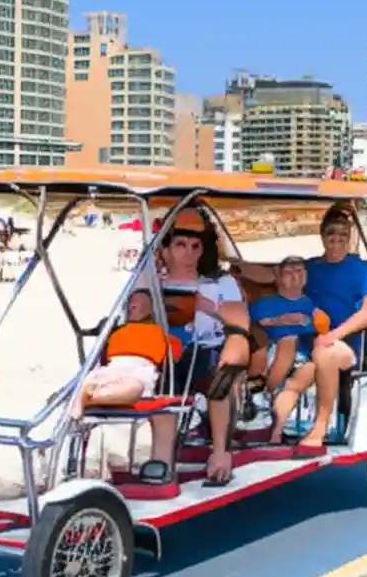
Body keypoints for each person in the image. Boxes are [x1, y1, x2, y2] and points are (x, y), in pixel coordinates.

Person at [231, 207, 367, 452]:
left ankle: (319, 428)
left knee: (324, 352)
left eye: (343, 233)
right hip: (301, 342)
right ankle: (267, 426)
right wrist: (236, 267)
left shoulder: (364, 271)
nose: (337, 238)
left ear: (350, 236)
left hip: (343, 344)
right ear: (322, 236)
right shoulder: (310, 267)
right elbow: (272, 273)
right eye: (331, 233)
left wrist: (333, 335)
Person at [144, 208, 258, 486]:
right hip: (166, 354)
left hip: (210, 350)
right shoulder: (152, 284)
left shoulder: (219, 282)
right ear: (166, 250)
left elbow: (240, 321)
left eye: (196, 247)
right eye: (180, 245)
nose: (189, 253)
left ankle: (220, 453)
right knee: (164, 371)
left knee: (212, 370)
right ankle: (162, 459)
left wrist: (206, 307)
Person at [248, 256, 332, 448]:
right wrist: (281, 320)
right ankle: (266, 390)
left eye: (299, 272)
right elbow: (253, 327)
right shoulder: (264, 303)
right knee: (289, 340)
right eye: (289, 272)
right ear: (278, 277)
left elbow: (323, 329)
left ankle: (276, 432)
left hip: (302, 359)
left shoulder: (311, 305)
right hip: (270, 352)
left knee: (309, 369)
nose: (295, 277)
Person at [74, 289, 180, 417]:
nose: (133, 306)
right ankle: (88, 399)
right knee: (89, 379)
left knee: (134, 388)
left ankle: (88, 399)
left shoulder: (163, 336)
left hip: (139, 371)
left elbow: (173, 363)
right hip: (111, 368)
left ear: (150, 309)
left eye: (139, 303)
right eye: (131, 303)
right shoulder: (115, 332)